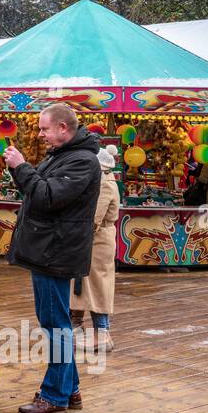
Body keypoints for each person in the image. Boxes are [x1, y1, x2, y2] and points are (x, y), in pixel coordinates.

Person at [3, 103, 101, 413]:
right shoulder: (63, 156)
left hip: (55, 253)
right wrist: (20, 170)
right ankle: (69, 389)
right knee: (54, 321)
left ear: (63, 128)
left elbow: (46, 197)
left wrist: (21, 166)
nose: (41, 134)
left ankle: (54, 395)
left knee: (56, 324)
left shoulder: (82, 161)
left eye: (45, 129)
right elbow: (39, 193)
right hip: (48, 250)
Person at [71, 143, 119, 353]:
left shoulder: (104, 185)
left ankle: (102, 332)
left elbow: (93, 219)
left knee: (97, 285)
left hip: (98, 240)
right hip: (92, 239)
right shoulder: (101, 182)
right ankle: (75, 326)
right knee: (79, 283)